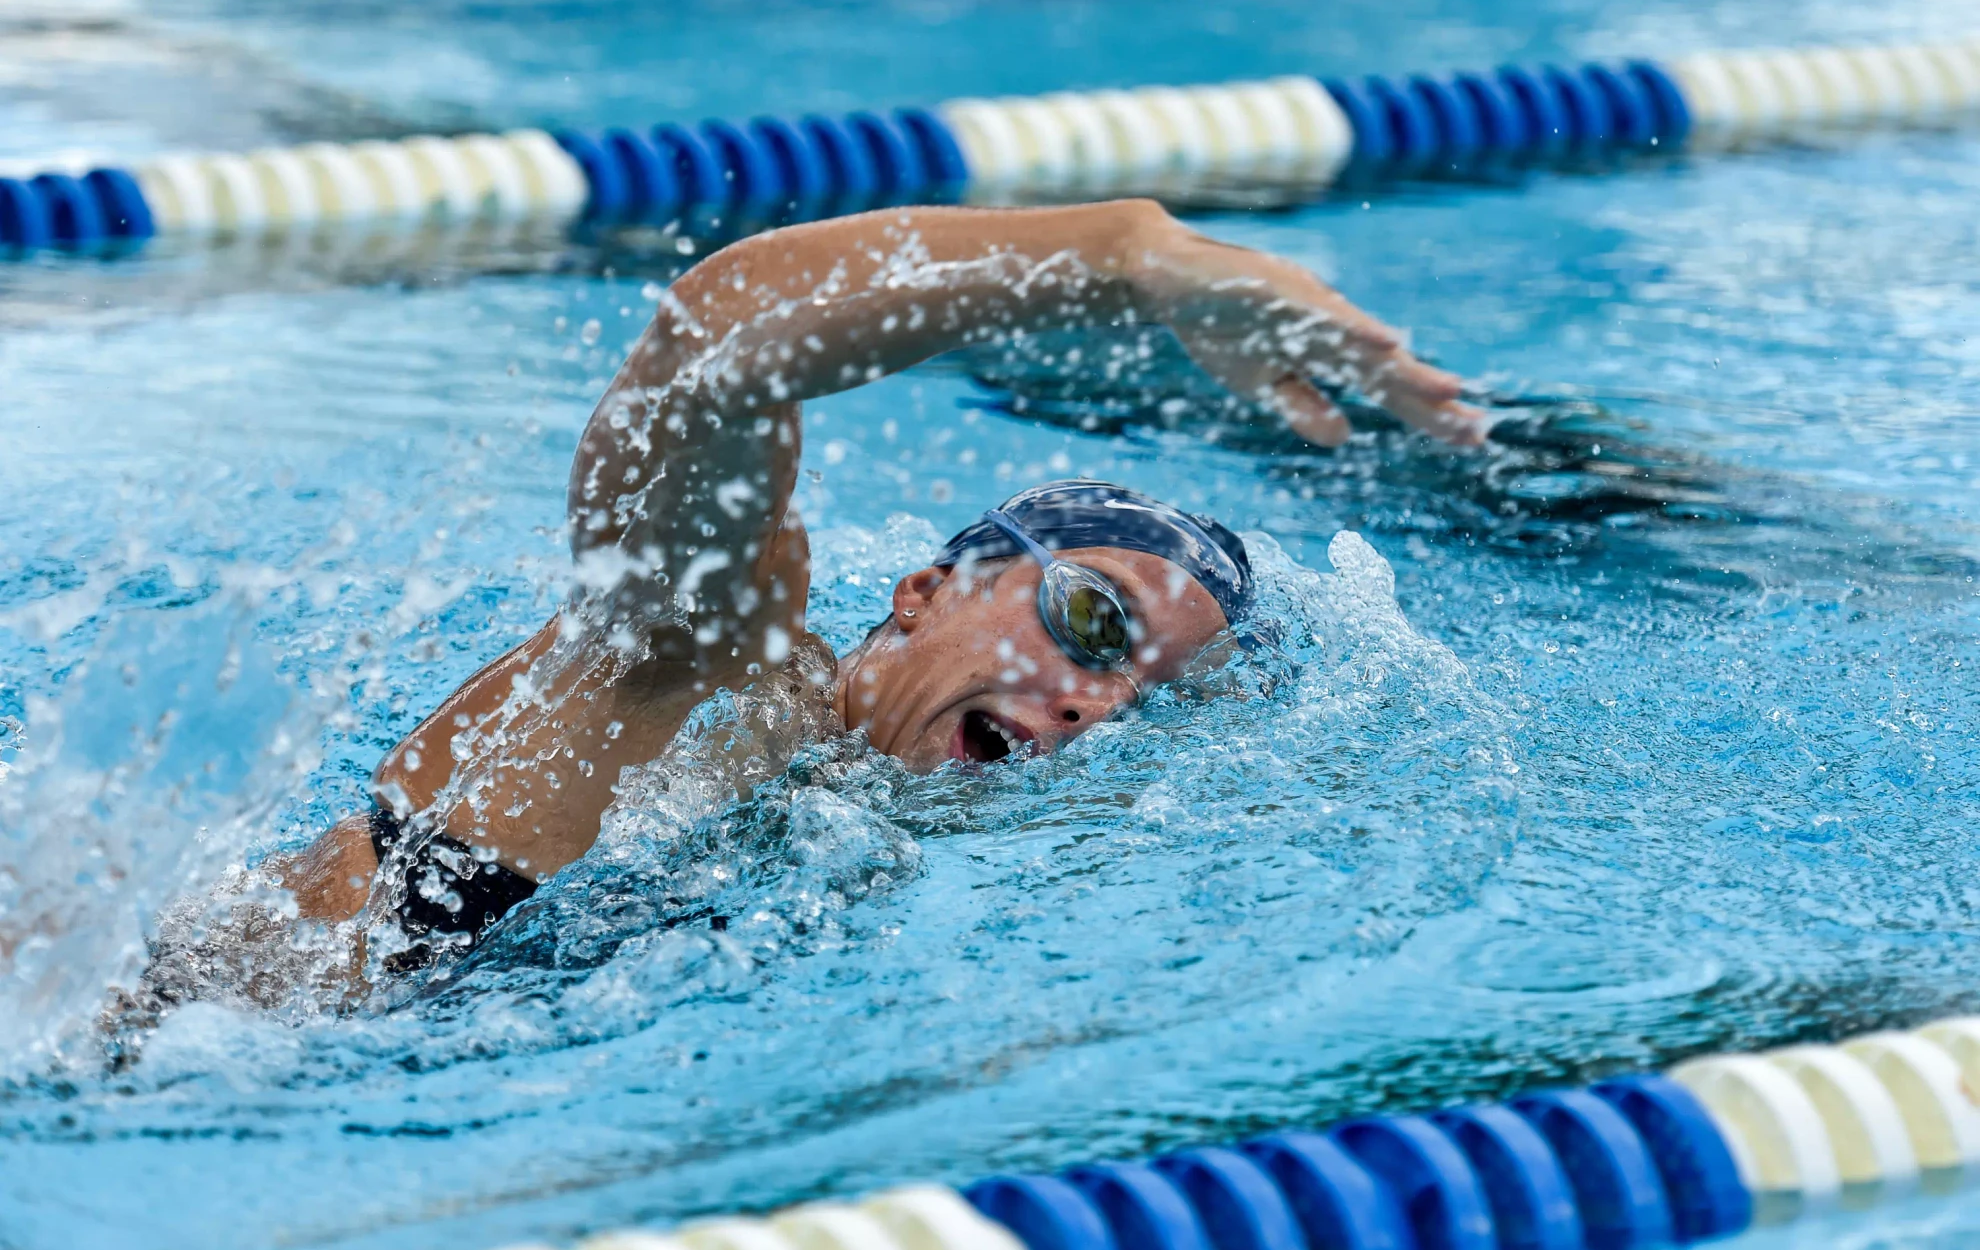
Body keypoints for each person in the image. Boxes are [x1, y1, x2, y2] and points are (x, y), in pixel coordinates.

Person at [275, 198, 1483, 967]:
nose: (1099, 707)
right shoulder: (702, 660)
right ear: (925, 590)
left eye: (1148, 699)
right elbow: (712, 344)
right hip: (152, 1044)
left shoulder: (854, 831)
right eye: (1094, 622)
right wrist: (1136, 259)